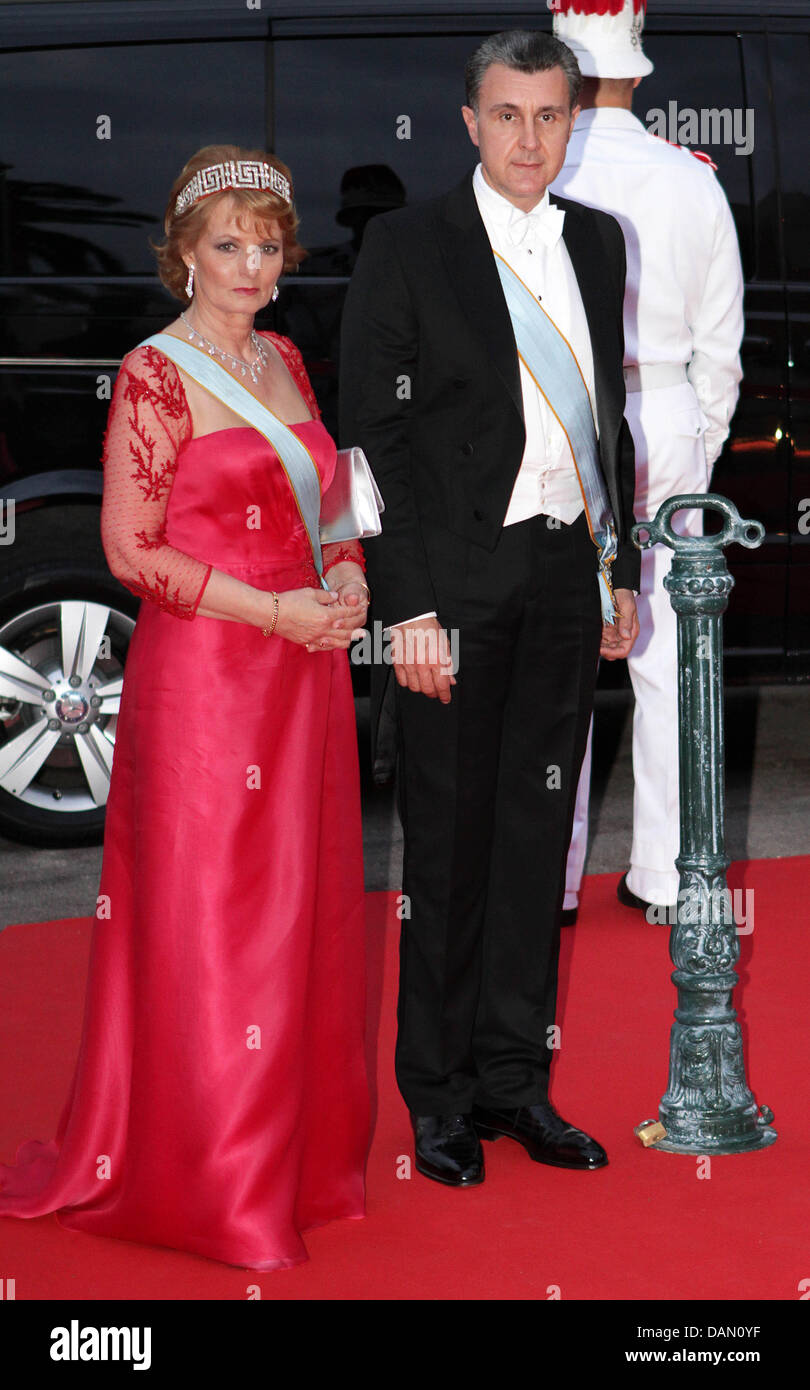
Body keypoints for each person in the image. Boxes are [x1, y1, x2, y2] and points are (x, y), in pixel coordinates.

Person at [0, 145, 371, 1270]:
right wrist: (280, 615)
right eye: (229, 245)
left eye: (269, 245)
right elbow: (129, 549)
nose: (252, 265)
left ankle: (294, 1163)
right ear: (185, 255)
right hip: (210, 683)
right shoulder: (155, 375)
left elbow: (335, 500)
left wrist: (348, 578)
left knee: (298, 915)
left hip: (300, 675)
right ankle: (217, 1183)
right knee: (219, 928)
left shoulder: (287, 356)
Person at [340, 31, 640, 1188]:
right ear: (468, 121)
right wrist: (409, 609)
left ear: (575, 122)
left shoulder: (600, 245)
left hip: (566, 581)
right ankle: (441, 1097)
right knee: (450, 855)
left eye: (550, 116)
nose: (529, 139)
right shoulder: (407, 246)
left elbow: (603, 421)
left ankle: (519, 1084)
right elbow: (378, 437)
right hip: (452, 591)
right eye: (508, 115)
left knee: (536, 849)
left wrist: (617, 568)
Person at [551, 0, 744, 921]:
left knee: (555, 644)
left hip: (564, 414)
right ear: (636, 70)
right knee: (662, 653)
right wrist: (696, 448)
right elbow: (723, 347)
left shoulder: (533, 169)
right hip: (664, 409)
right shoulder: (691, 178)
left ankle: (550, 876)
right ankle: (664, 875)